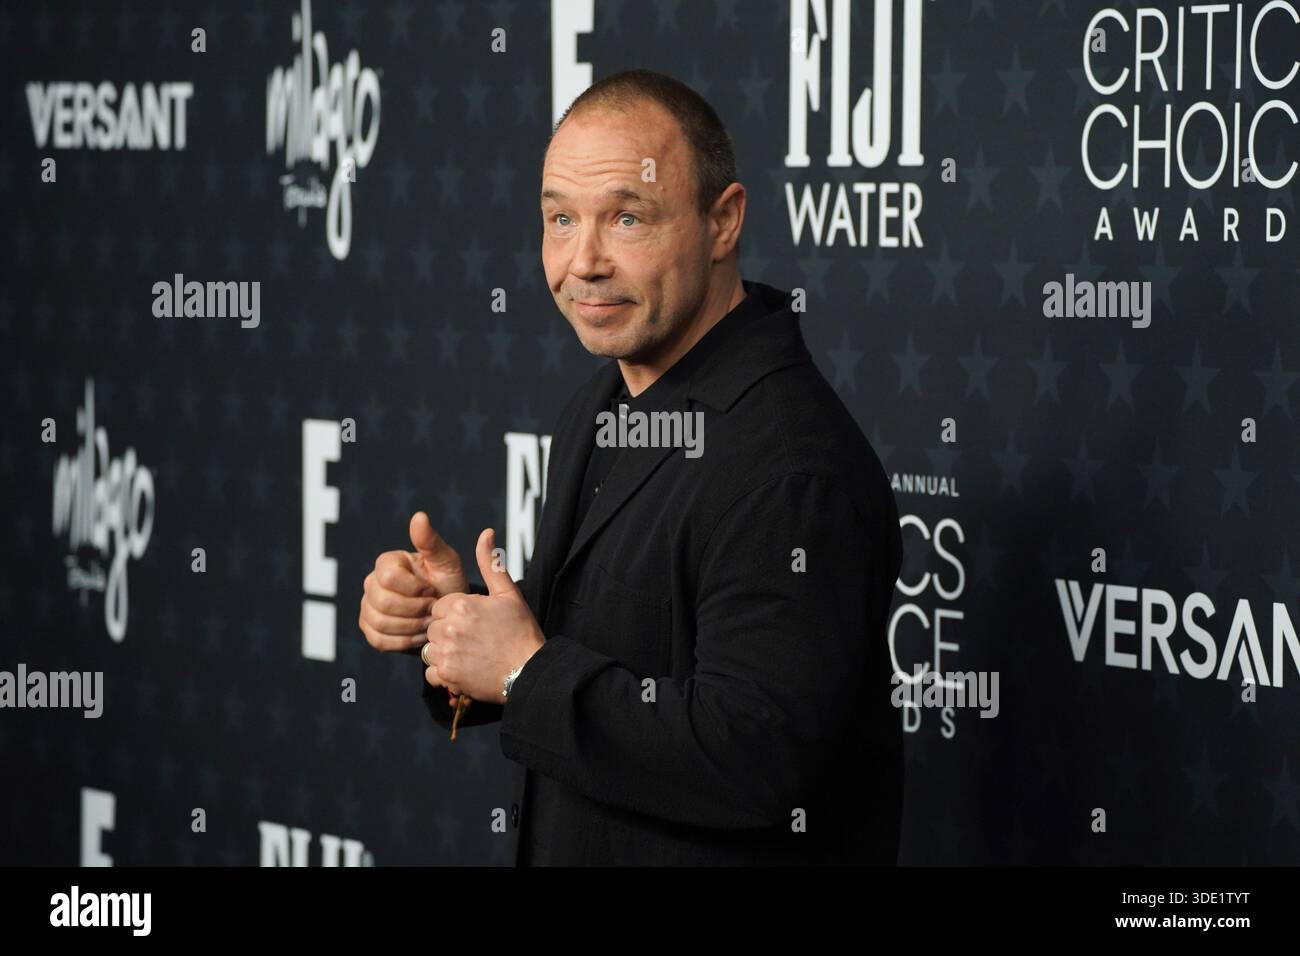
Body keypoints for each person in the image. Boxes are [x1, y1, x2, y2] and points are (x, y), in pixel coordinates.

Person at [358, 69, 903, 865]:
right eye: (559, 218)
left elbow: (753, 760)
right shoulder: (600, 406)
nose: (583, 261)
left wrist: (522, 672)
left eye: (626, 217)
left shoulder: (790, 467)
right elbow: (585, 651)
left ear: (724, 222)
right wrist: (458, 625)